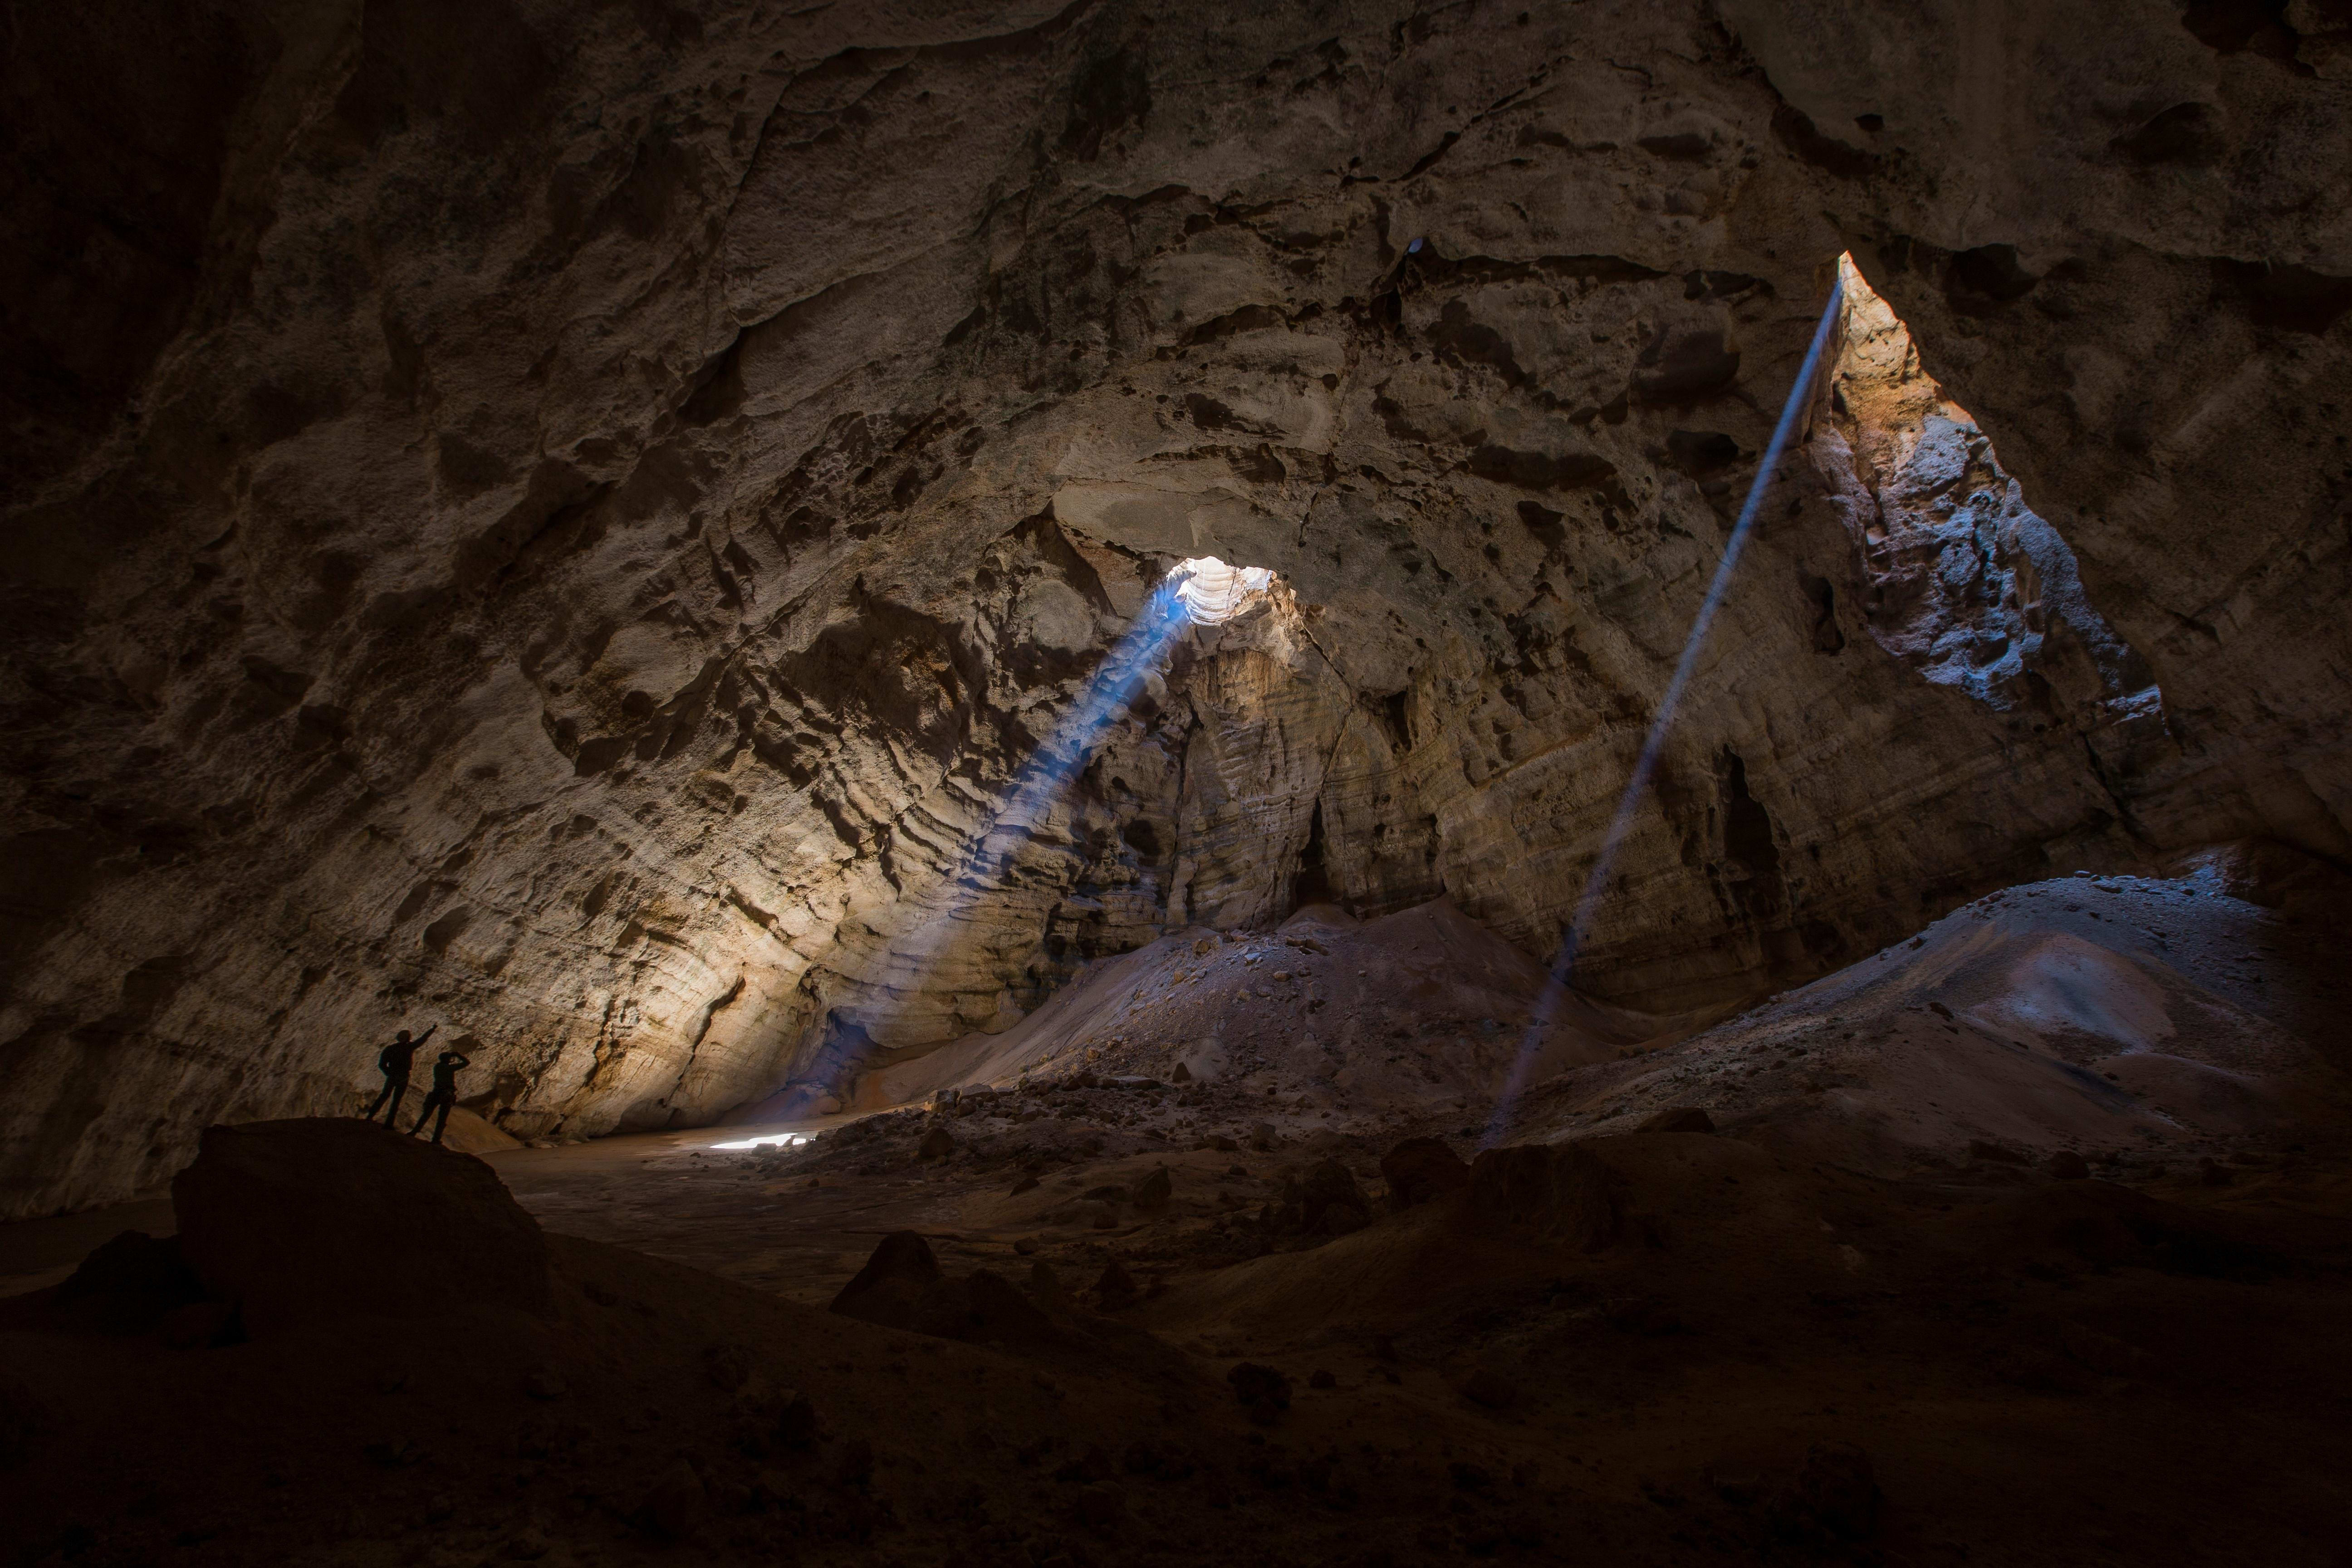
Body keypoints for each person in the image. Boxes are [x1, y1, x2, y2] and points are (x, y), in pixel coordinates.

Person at [364, 1025, 435, 1125]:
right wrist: (432, 1030)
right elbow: (422, 1039)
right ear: (407, 1038)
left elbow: (382, 1064)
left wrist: (389, 1073)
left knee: (384, 1096)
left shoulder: (390, 1049)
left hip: (392, 1076)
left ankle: (370, 1116)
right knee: (396, 1101)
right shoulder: (409, 1047)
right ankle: (389, 1123)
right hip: (403, 1077)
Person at [410, 1047, 472, 1146]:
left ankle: (414, 1132)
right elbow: (467, 1063)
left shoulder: (437, 1067)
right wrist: (458, 1055)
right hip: (446, 1095)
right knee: (442, 1118)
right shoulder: (449, 1068)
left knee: (426, 1114)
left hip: (436, 1093)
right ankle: (436, 1139)